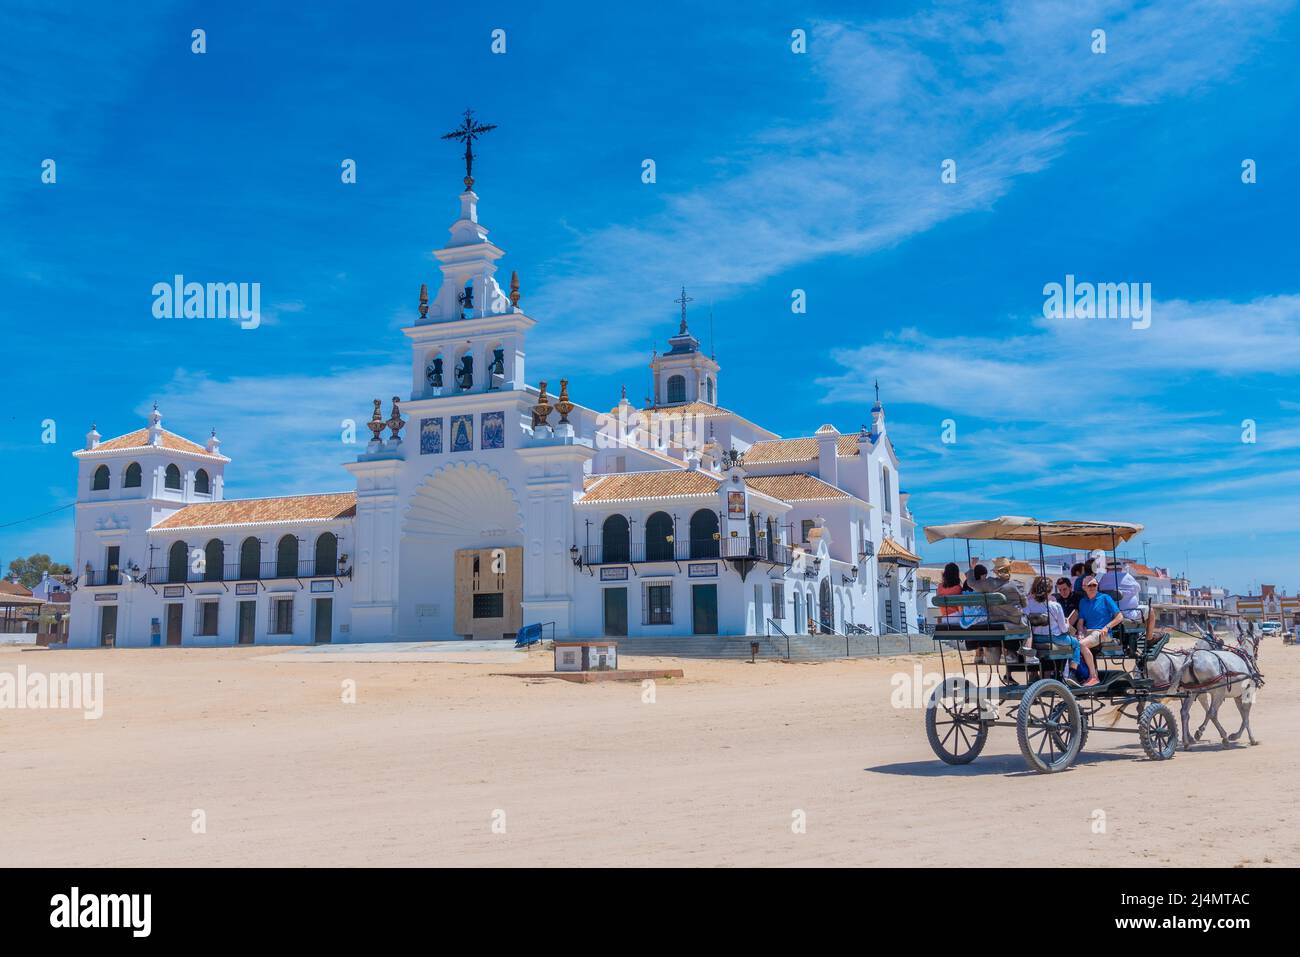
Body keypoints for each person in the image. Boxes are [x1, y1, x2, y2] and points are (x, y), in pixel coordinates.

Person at [971, 557, 1036, 665]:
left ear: (996, 572)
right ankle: (1028, 656)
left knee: (1007, 626)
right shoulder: (1017, 585)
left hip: (995, 623)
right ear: (1009, 570)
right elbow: (1025, 604)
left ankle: (1008, 654)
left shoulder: (989, 583)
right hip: (1014, 623)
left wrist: (972, 568)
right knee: (1027, 626)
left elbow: (971, 583)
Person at [1028, 576, 1093, 681]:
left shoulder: (1030, 604)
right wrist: (1067, 623)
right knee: (1076, 644)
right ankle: (1072, 673)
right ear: (1050, 590)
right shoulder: (1055, 606)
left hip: (1036, 639)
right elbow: (1063, 629)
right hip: (1053, 638)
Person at [1075, 575, 1122, 687]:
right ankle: (1076, 675)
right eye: (1089, 585)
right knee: (1071, 642)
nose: (1092, 587)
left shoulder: (1105, 598)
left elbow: (1120, 617)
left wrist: (1107, 627)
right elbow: (1080, 623)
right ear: (1084, 587)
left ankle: (1093, 677)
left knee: (1081, 644)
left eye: (1094, 585)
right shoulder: (1083, 602)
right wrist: (1080, 632)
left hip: (1103, 633)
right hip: (1089, 632)